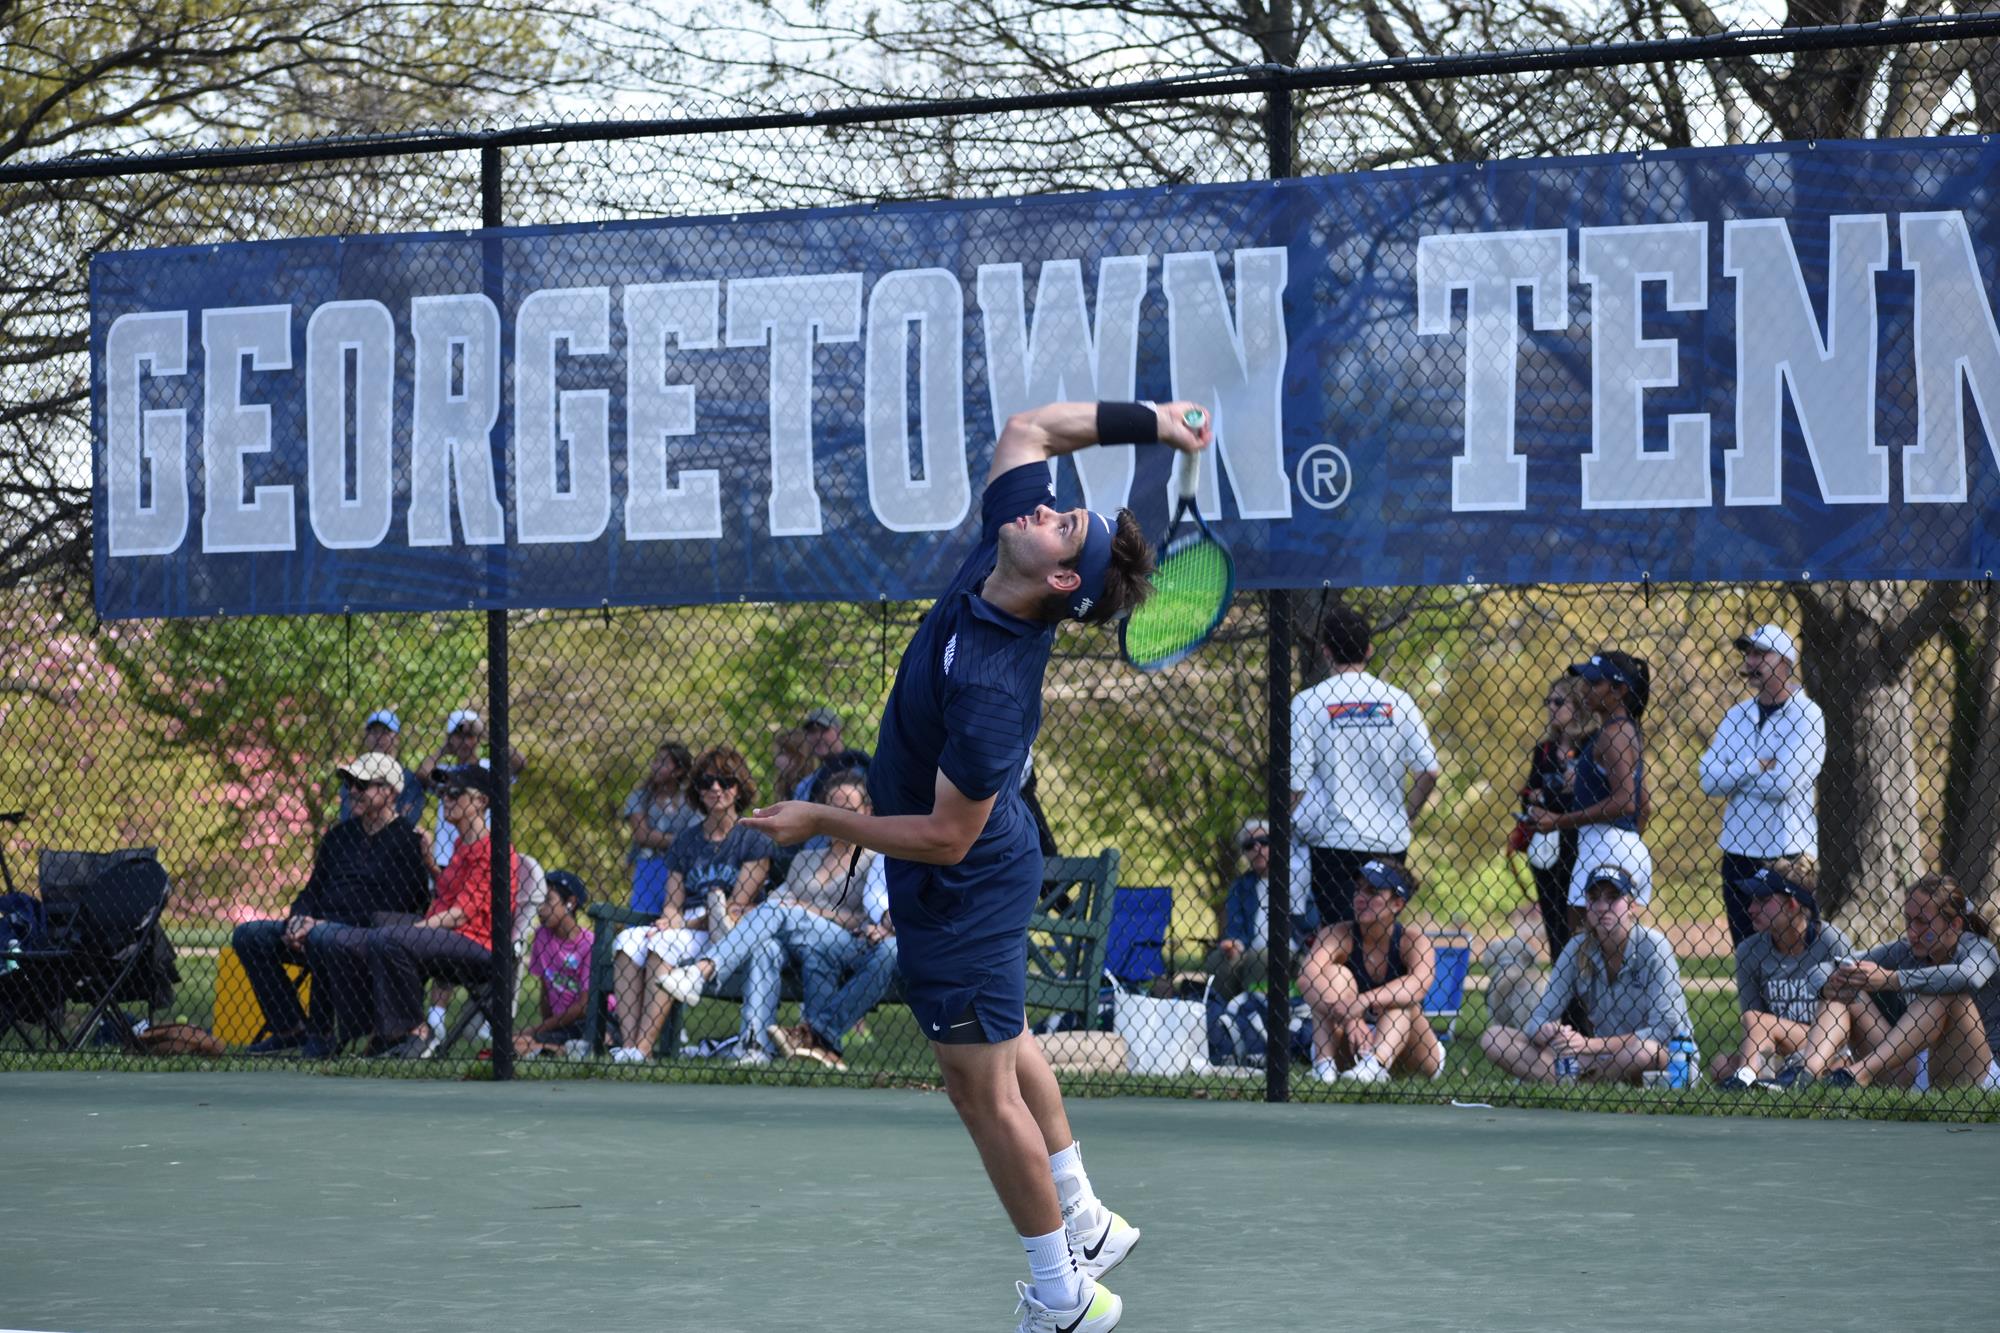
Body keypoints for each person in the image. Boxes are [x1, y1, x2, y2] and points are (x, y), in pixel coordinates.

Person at [735, 400, 1207, 1333]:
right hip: (967, 864)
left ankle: (1066, 1294)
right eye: (1056, 505)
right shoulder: (1007, 553)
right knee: (1007, 1031)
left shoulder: (995, 684)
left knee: (977, 1087)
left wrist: (823, 815)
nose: (1043, 506)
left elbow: (947, 835)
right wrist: (1155, 420)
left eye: (1062, 520)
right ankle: (1082, 1214)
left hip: (962, 879)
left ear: (1062, 573)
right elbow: (1035, 427)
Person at [663, 771, 899, 1071]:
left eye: (849, 810)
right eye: (832, 809)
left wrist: (805, 910)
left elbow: (866, 919)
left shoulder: (871, 859)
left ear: (866, 813)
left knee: (780, 914)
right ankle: (753, 1046)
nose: (840, 817)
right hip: (798, 946)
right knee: (768, 946)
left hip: (845, 941)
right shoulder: (805, 859)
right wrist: (758, 911)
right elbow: (778, 901)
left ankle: (702, 971)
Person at [233, 753, 431, 1057]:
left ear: (390, 792)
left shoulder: (407, 841)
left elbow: (398, 906)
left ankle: (321, 1035)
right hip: (317, 928)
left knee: (322, 938)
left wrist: (322, 926)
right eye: (350, 783)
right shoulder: (340, 835)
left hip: (362, 936)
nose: (352, 790)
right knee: (250, 935)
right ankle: (289, 1028)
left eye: (362, 784)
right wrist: (299, 918)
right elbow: (313, 889)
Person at [606, 746, 775, 1063]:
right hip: (687, 926)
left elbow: (735, 908)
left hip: (728, 932)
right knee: (627, 941)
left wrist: (678, 925)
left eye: (726, 781)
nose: (715, 788)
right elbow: (672, 903)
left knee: (663, 945)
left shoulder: (754, 839)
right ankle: (629, 1047)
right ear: (696, 789)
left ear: (739, 789)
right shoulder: (686, 840)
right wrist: (668, 920)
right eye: (707, 781)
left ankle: (643, 1048)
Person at [1288, 600, 1439, 928]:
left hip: (1333, 842)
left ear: (1326, 651)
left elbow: (1296, 783)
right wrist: (1406, 814)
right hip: (1388, 839)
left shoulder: (1308, 702)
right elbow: (1428, 770)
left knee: (1338, 934)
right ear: (1369, 649)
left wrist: (1287, 826)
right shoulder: (1398, 700)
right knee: (1378, 934)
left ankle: (1342, 979)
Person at [354, 764, 519, 1059]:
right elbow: (448, 892)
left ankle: (420, 1032)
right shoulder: (461, 843)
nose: (446, 799)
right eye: (443, 793)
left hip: (479, 944)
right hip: (451, 934)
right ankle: (390, 1033)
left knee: (391, 938)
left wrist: (415, 930)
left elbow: (460, 913)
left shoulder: (492, 850)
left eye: (455, 793)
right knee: (376, 925)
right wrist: (431, 863)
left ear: (481, 802)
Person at [1479, 865, 1693, 1084]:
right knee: (1494, 1038)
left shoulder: (1654, 947)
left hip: (1659, 1058)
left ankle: (1567, 1079)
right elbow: (1539, 1016)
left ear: (1632, 905)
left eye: (1612, 897)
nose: (1602, 907)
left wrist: (1589, 1045)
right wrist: (1546, 1030)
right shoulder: (1577, 947)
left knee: (1644, 1051)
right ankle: (1582, 1079)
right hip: (1598, 1059)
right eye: (1594, 898)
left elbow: (1664, 1030)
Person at [1794, 873, 1999, 1091]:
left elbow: (1970, 976)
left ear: (1954, 925)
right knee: (1845, 981)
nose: (1912, 932)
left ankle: (1856, 1075)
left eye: (1922, 922)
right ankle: (1805, 1076)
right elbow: (1824, 967)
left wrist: (1892, 980)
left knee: (1947, 989)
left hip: (1979, 1072)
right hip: (1912, 1070)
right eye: (1909, 920)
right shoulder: (1906, 949)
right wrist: (1828, 986)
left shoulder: (1979, 948)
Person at [1698, 624, 1826, 949]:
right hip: (1739, 851)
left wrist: (1736, 778)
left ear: (1784, 660)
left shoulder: (1807, 716)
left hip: (1790, 854)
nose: (1750, 662)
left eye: (1760, 654)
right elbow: (1708, 780)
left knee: (1796, 949)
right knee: (1747, 950)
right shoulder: (1736, 715)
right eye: (1748, 654)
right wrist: (1755, 766)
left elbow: (1784, 784)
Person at [1525, 651, 1653, 908]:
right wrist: (1628, 842)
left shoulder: (1613, 736)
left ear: (1619, 690)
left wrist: (1560, 820)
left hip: (1604, 851)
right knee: (1602, 945)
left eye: (1595, 683)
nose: (1585, 688)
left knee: (1583, 943)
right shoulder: (1624, 730)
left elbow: (1627, 803)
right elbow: (1645, 805)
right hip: (1616, 848)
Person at [1297, 859, 1442, 1083]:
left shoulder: (1413, 941)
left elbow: (1418, 986)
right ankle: (1324, 1068)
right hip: (1352, 1044)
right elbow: (1306, 979)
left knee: (1401, 1000)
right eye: (1358, 889)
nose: (1360, 898)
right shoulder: (1337, 933)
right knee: (1334, 975)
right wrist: (1352, 1019)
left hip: (1409, 1049)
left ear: (1397, 904)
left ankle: (1375, 1065)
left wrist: (1363, 1001)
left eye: (1373, 892)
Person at [1710, 862, 1850, 1086]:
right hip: (1777, 1050)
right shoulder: (1749, 951)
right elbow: (1754, 1024)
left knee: (1758, 1023)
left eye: (1763, 900)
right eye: (1752, 900)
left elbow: (1848, 1020)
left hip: (1827, 1045)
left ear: (1792, 905)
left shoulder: (1831, 942)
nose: (1751, 909)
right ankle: (1766, 1080)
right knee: (1721, 1066)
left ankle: (1747, 1081)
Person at [1518, 675, 1590, 968]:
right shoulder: (1545, 750)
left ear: (1578, 705)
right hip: (1547, 850)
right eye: (1548, 701)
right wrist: (1551, 792)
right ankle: (1565, 998)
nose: (1551, 707)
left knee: (1581, 925)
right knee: (1555, 925)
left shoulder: (1591, 747)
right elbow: (1528, 795)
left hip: (1580, 846)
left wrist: (1553, 794)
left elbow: (1588, 797)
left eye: (1559, 702)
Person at [1201, 818, 1316, 1001]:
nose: (1257, 848)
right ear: (1244, 853)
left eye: (1264, 842)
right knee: (1218, 958)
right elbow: (1235, 928)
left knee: (1260, 958)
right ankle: (1219, 1009)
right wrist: (1234, 943)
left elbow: (1310, 923)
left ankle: (1256, 1010)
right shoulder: (1241, 887)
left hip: (1292, 946)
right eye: (1249, 845)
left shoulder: (1297, 879)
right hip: (1250, 946)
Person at [514, 870, 596, 1058]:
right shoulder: (542, 936)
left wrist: (537, 1030)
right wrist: (545, 1032)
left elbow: (584, 1006)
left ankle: (574, 1048)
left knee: (603, 1035)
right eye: (539, 901)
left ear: (571, 903)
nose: (541, 909)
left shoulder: (589, 943)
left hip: (591, 1020)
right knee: (512, 1044)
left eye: (548, 901)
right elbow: (545, 990)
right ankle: (566, 1049)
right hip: (562, 1024)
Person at [623, 740, 700, 913]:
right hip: (648, 865)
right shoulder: (640, 797)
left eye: (663, 762)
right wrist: (680, 840)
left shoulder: (691, 800)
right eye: (656, 760)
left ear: (679, 770)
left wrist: (657, 837)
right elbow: (642, 836)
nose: (655, 765)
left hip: (683, 867)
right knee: (642, 916)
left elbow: (696, 837)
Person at [334, 709, 425, 827]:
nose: (378, 737)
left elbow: (408, 822)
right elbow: (346, 818)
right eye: (373, 731)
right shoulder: (352, 775)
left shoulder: (408, 778)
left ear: (397, 738)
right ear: (366, 736)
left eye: (385, 732)